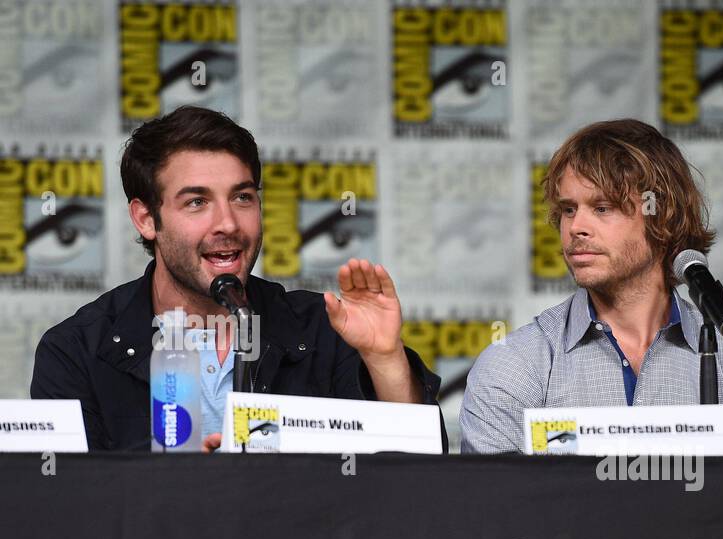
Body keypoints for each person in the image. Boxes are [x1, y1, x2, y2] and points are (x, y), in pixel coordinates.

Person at [30, 105, 444, 452]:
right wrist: (188, 485)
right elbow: (77, 513)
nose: (227, 223)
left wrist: (385, 359)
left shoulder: (324, 328)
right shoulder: (77, 351)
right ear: (146, 218)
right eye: (197, 202)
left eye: (242, 197)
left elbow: (411, 479)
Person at [459, 118, 723, 455]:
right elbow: (494, 507)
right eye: (568, 209)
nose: (576, 227)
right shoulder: (513, 366)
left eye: (602, 207)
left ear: (661, 216)